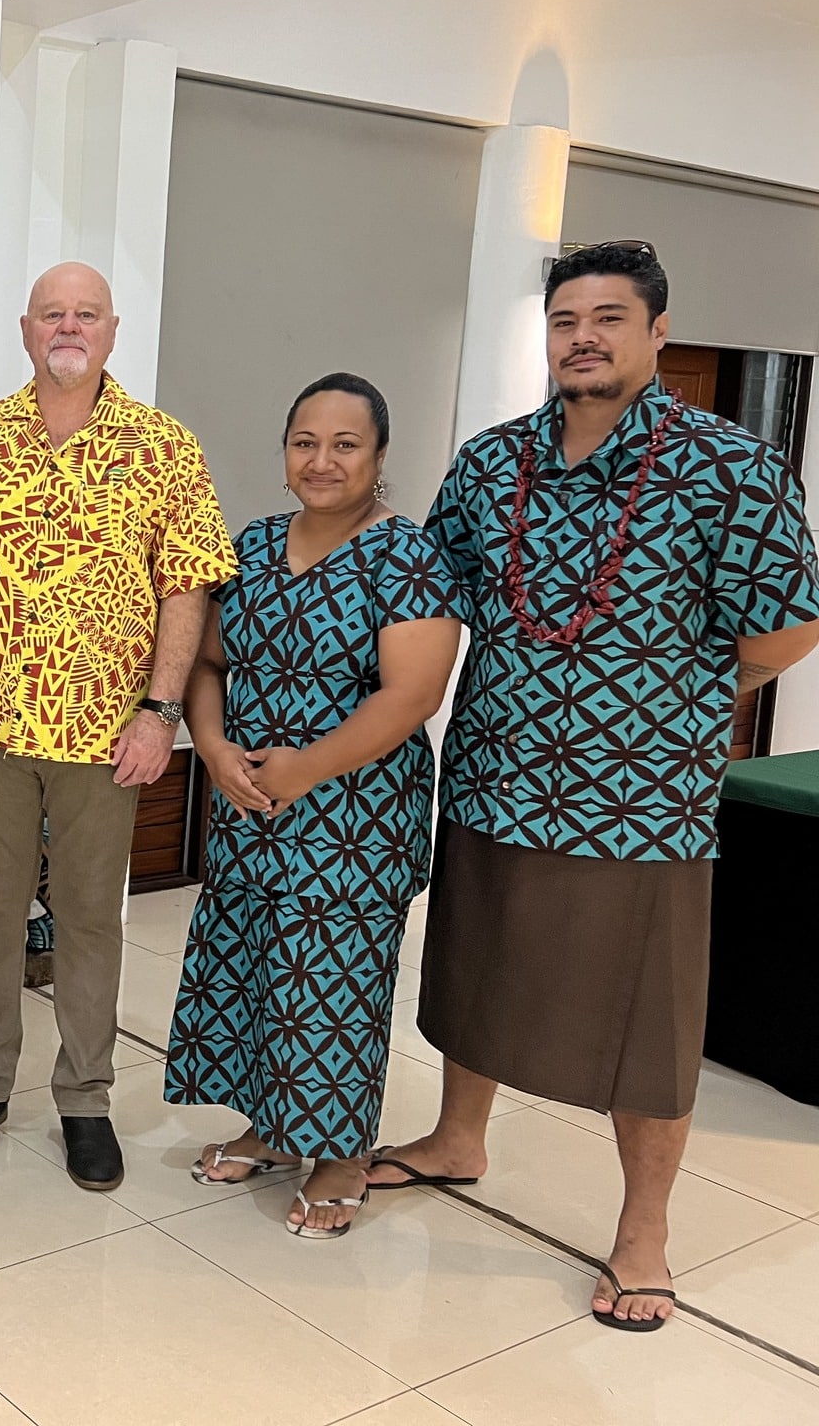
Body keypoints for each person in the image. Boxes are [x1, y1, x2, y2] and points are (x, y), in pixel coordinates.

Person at [371, 242, 819, 1327]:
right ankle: (458, 1136)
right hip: (491, 780)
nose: (582, 335)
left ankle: (642, 1231)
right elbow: (435, 602)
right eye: (566, 317)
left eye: (608, 317)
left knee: (643, 1024)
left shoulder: (730, 467)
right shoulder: (486, 465)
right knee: (476, 971)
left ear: (655, 332)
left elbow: (790, 628)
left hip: (642, 803)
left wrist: (683, 687)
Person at [0, 262, 235, 1192]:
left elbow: (188, 584)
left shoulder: (163, 446)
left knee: (92, 919)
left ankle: (86, 1098)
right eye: (52, 313)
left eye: (84, 313)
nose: (68, 327)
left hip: (109, 732)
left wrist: (161, 713)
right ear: (25, 330)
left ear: (112, 329)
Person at [164, 374, 465, 1237]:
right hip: (251, 800)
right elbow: (210, 662)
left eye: (345, 445)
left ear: (379, 456)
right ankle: (272, 1126)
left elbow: (412, 694)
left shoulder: (408, 556)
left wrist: (306, 770)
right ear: (285, 449)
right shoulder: (253, 545)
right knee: (257, 961)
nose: (322, 460)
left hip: (354, 812)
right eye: (306, 442)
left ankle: (340, 1154)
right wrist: (213, 749)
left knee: (333, 980)